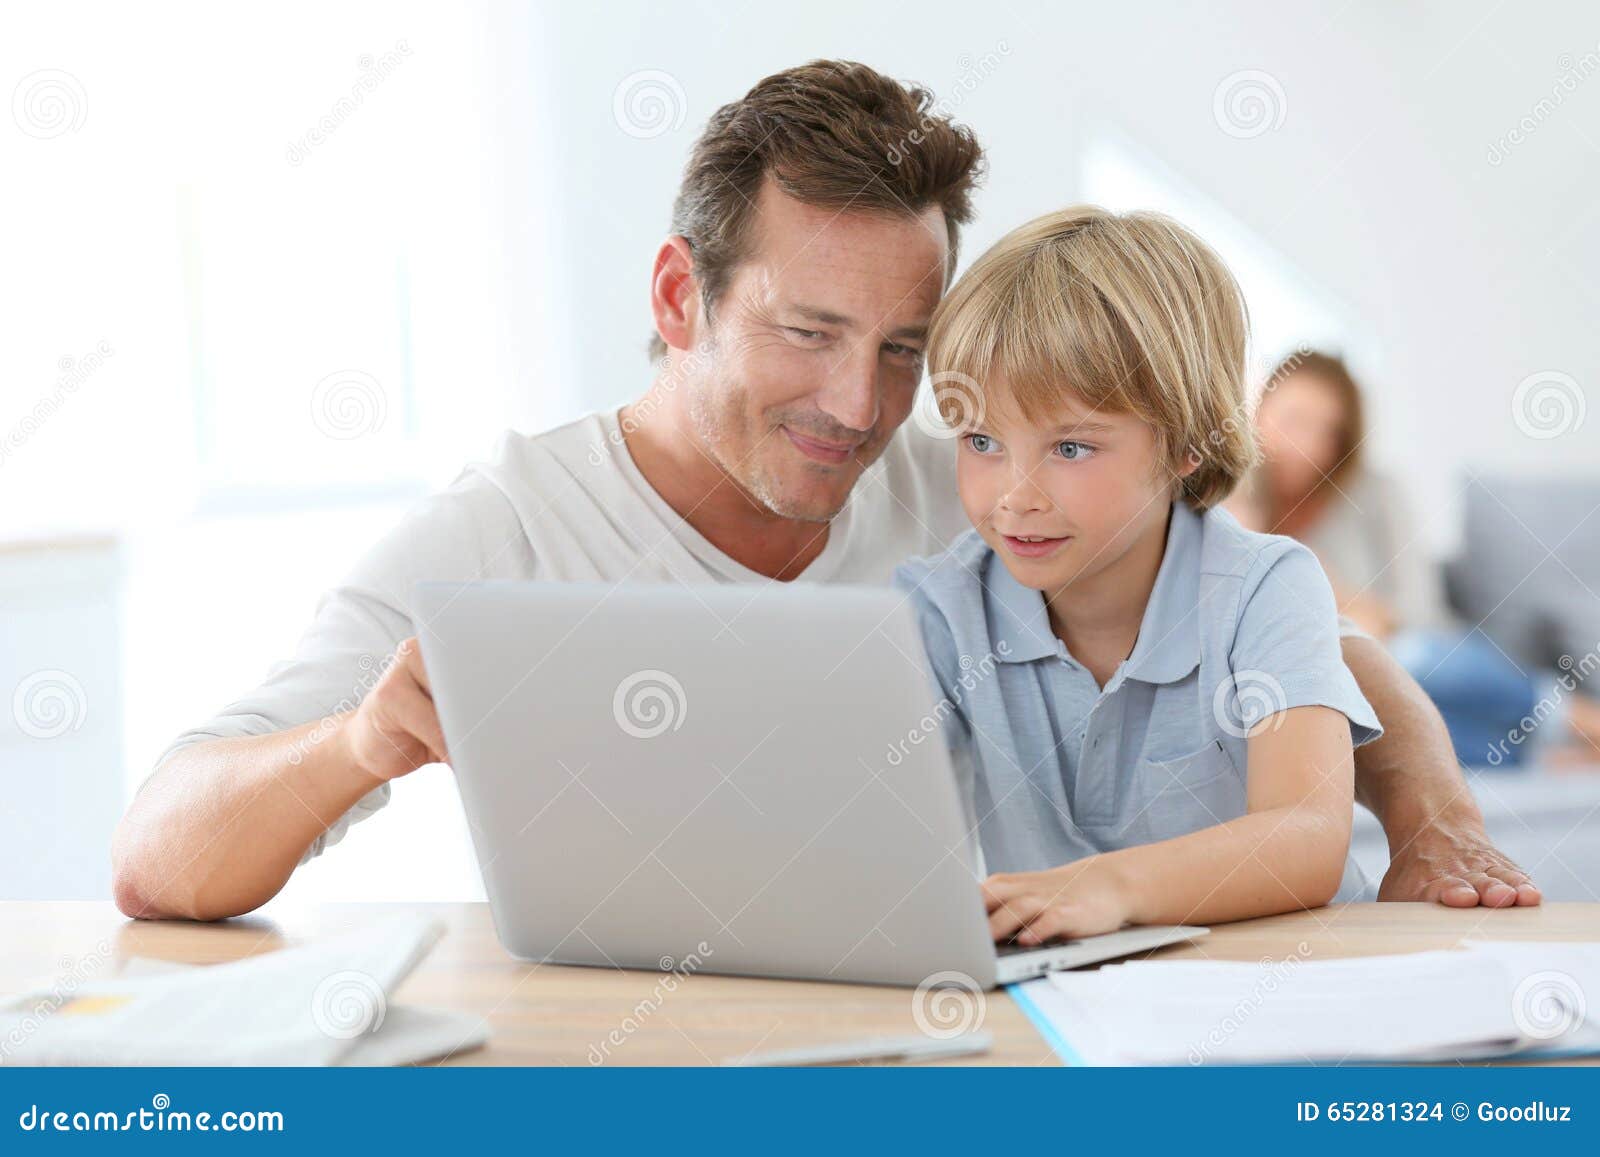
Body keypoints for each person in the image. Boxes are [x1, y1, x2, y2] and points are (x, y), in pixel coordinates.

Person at [111, 59, 1539, 923]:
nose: (859, 408)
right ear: (682, 295)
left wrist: (1427, 820)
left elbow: (1322, 651)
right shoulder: (507, 526)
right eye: (806, 333)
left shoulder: (981, 490)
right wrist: (354, 746)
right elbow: (158, 856)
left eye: (905, 351)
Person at [894, 207, 1382, 941]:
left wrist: (1113, 886)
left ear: (1186, 443)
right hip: (1081, 1008)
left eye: (1070, 448)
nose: (1015, 495)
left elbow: (1310, 836)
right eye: (983, 439)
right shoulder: (941, 607)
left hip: (1299, 984)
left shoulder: (1265, 587)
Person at [1234, 351, 1600, 766]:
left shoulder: (1377, 493)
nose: (1310, 446)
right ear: (1258, 414)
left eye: (1328, 431)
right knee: (1368, 729)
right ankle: (1545, 756)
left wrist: (1352, 609)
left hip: (1405, 646)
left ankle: (1578, 722)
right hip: (1326, 669)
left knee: (1410, 661)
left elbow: (1416, 609)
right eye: (1293, 421)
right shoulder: (1235, 506)